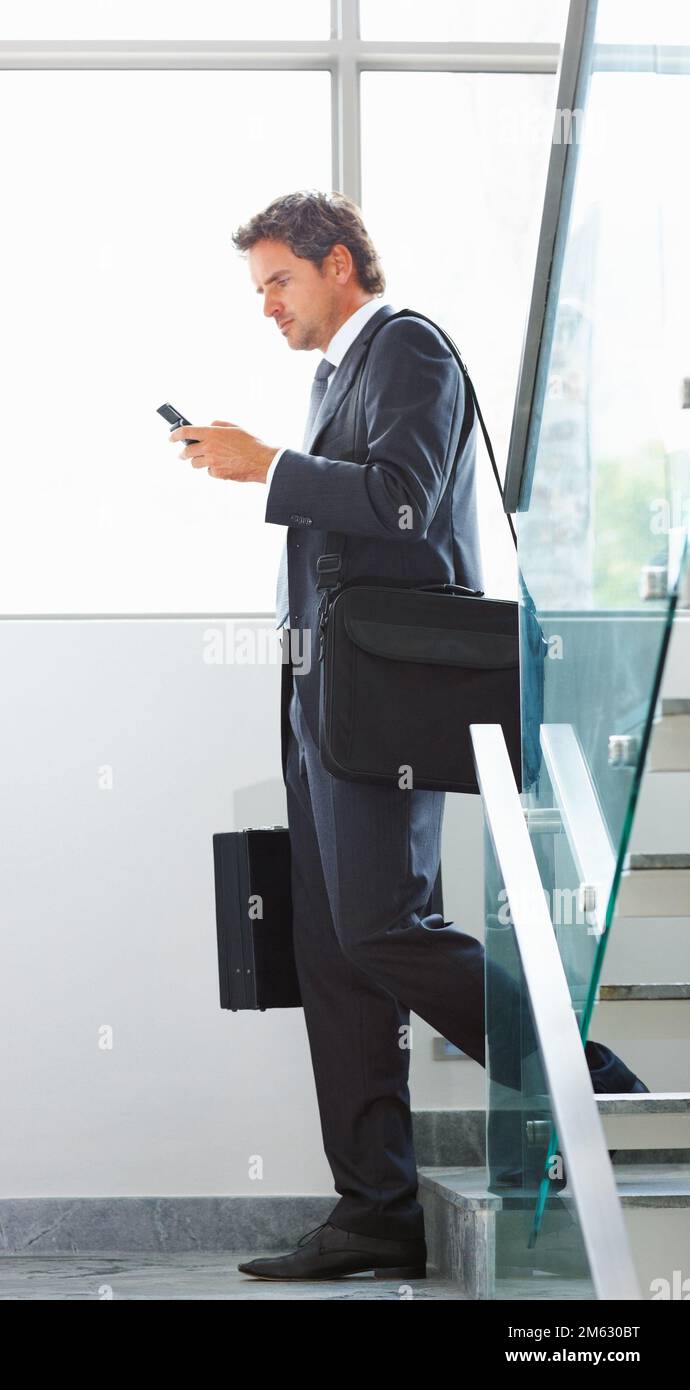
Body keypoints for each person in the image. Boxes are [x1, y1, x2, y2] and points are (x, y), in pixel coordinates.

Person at [168, 190, 647, 1282]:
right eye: (258, 291)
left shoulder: (407, 349)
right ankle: (373, 1208)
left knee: (386, 926)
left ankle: (598, 1087)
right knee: (334, 954)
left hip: (380, 705)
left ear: (339, 264)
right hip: (322, 704)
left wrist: (267, 468)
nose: (267, 307)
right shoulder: (335, 377)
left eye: (278, 281)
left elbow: (399, 502)